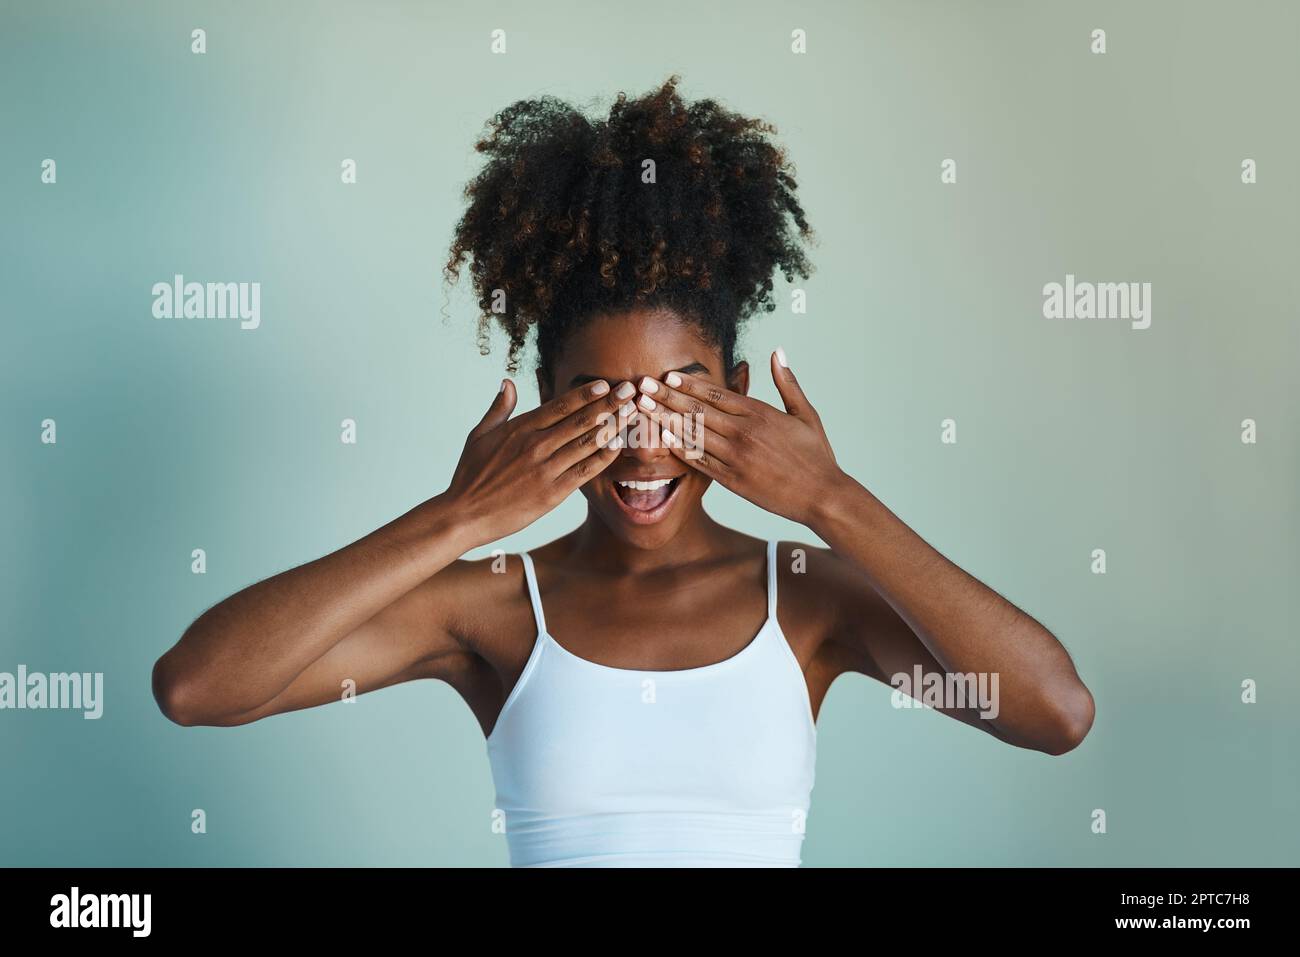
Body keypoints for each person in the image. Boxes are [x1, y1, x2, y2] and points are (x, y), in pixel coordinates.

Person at [152, 77, 1094, 867]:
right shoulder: (491, 608)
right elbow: (197, 688)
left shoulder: (808, 601)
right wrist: (456, 518)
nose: (643, 442)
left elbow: (1053, 711)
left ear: (735, 393)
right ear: (546, 402)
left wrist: (828, 499)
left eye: (677, 396)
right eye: (599, 398)